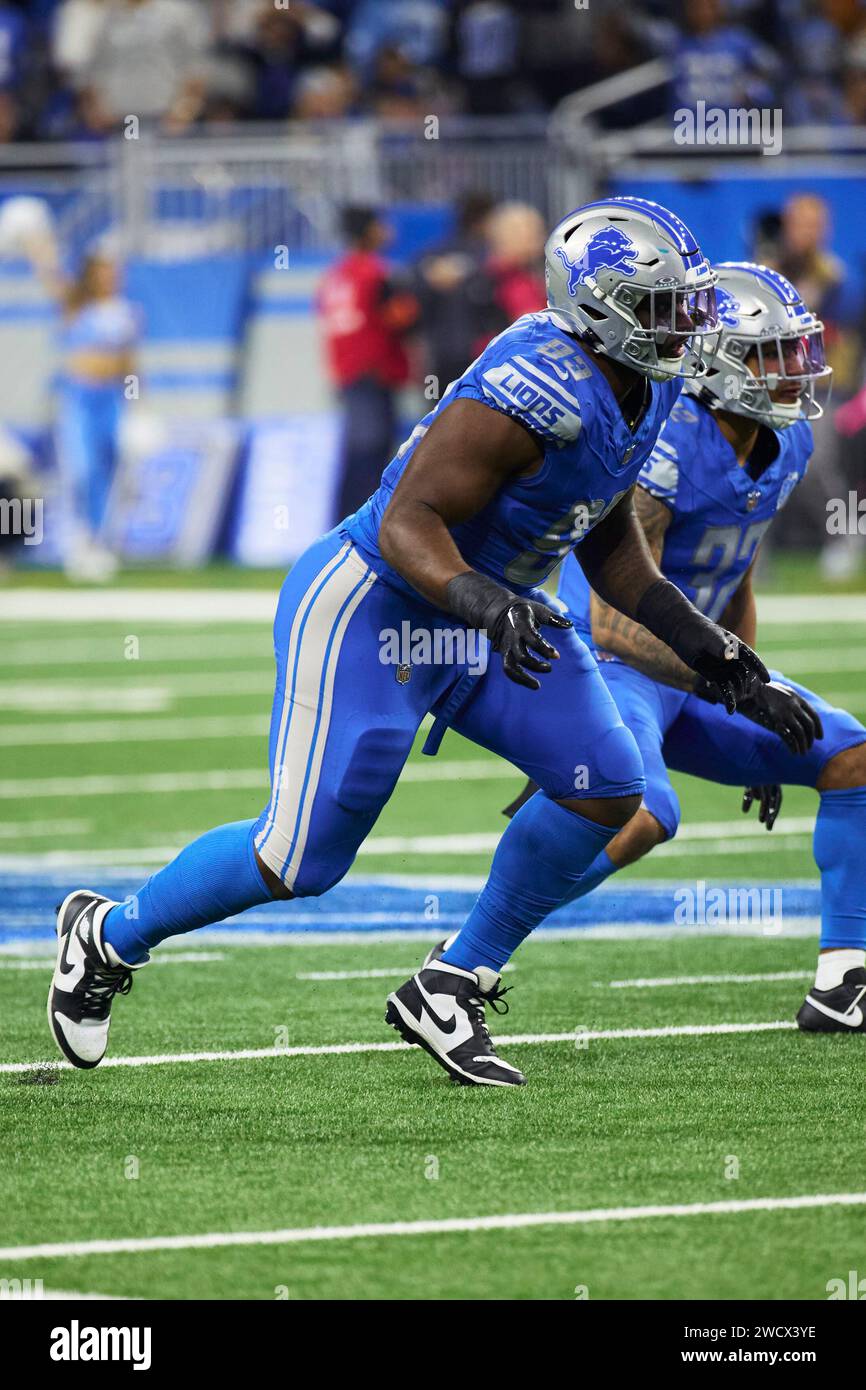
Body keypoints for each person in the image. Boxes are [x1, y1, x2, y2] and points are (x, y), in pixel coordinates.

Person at [48, 198, 769, 1089]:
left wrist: (720, 658)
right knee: (297, 858)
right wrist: (484, 602)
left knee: (607, 786)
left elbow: (612, 544)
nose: (686, 326)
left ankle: (453, 980)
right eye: (664, 307)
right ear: (602, 307)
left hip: (490, 615)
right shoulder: (530, 382)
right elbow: (406, 523)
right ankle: (108, 935)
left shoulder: (648, 384)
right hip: (379, 605)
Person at [498, 262, 866, 1035]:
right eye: (773, 354)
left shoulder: (784, 441)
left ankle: (845, 978)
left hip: (699, 672)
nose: (795, 372)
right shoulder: (665, 446)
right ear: (714, 360)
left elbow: (737, 575)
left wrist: (753, 697)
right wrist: (736, 685)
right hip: (610, 665)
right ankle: (471, 951)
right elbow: (610, 620)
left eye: (797, 352)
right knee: (642, 810)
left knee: (853, 758)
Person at [317, 205, 418, 521]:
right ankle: (361, 526)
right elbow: (402, 318)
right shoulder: (377, 272)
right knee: (372, 452)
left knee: (359, 450)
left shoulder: (335, 275)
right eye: (381, 223)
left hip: (348, 372)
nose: (388, 230)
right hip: (375, 371)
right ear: (369, 231)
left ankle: (345, 523)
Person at [51, 250, 140, 581]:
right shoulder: (76, 307)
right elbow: (51, 275)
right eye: (103, 272)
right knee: (82, 470)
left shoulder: (128, 313)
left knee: (109, 472)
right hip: (79, 400)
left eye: (113, 272)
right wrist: (36, 242)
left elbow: (130, 363)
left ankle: (101, 544)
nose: (110, 278)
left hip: (112, 400)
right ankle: (78, 540)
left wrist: (138, 406)